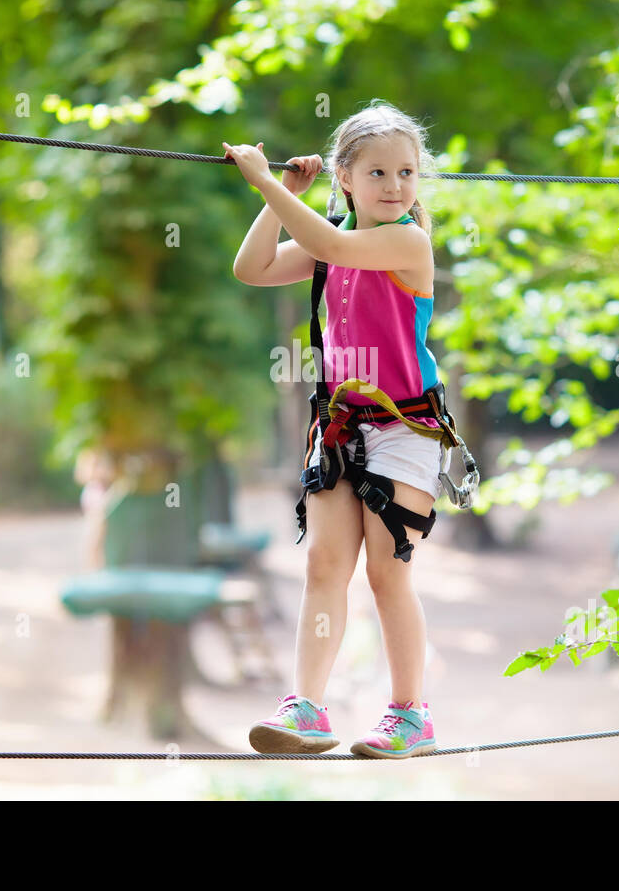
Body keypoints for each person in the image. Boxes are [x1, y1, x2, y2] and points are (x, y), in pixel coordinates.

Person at [225, 100, 444, 759]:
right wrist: (281, 195)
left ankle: (410, 716)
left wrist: (264, 179)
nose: (395, 186)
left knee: (386, 571)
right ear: (344, 178)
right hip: (340, 425)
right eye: (378, 173)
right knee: (323, 565)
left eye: (406, 172)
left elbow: (332, 243)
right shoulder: (332, 238)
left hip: (406, 427)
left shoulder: (405, 240)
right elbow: (252, 268)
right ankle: (308, 709)